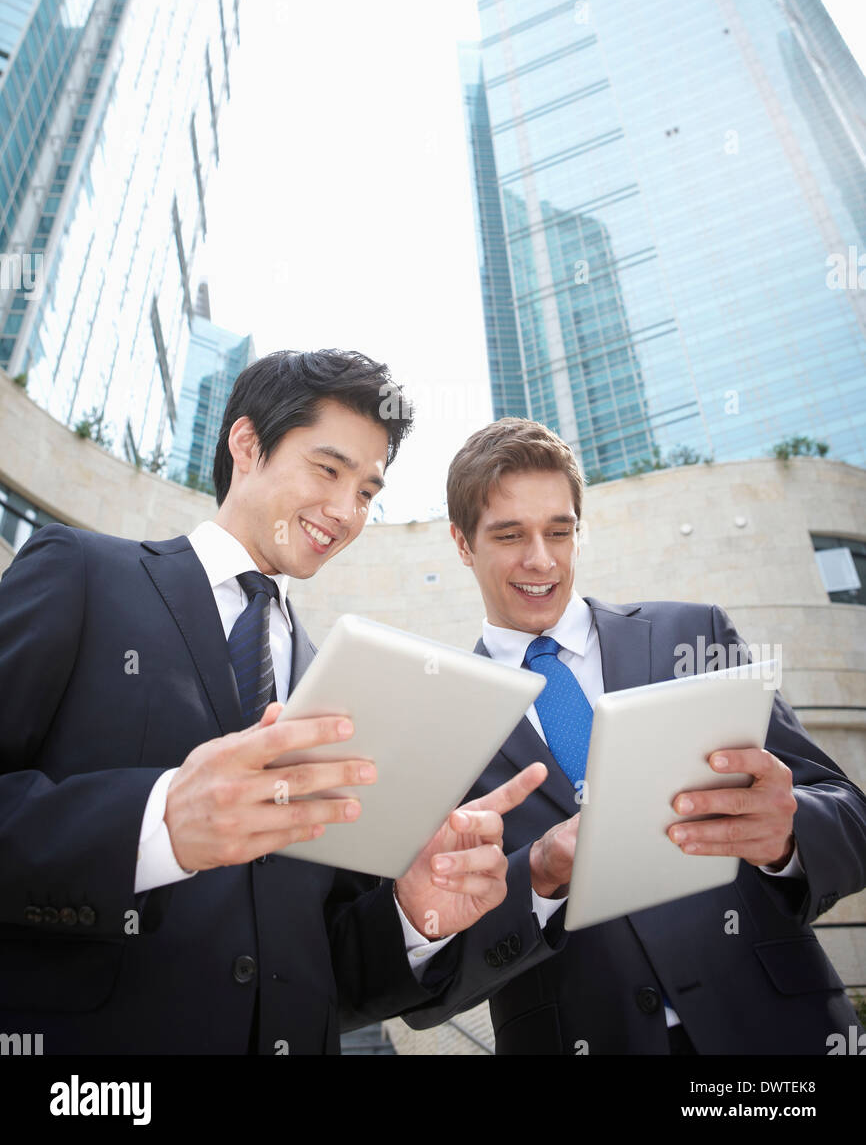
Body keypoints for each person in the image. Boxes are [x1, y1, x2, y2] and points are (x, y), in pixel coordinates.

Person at [0, 353, 561, 1055]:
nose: (344, 511)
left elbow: (325, 966)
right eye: (328, 471)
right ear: (246, 444)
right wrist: (156, 824)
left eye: (366, 491)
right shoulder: (82, 573)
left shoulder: (339, 684)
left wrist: (411, 915)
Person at [406, 417, 866, 1054]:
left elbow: (851, 817)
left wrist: (788, 835)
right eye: (509, 535)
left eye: (560, 532)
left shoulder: (692, 635)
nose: (540, 560)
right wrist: (536, 878)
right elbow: (427, 977)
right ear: (462, 543)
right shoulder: (434, 725)